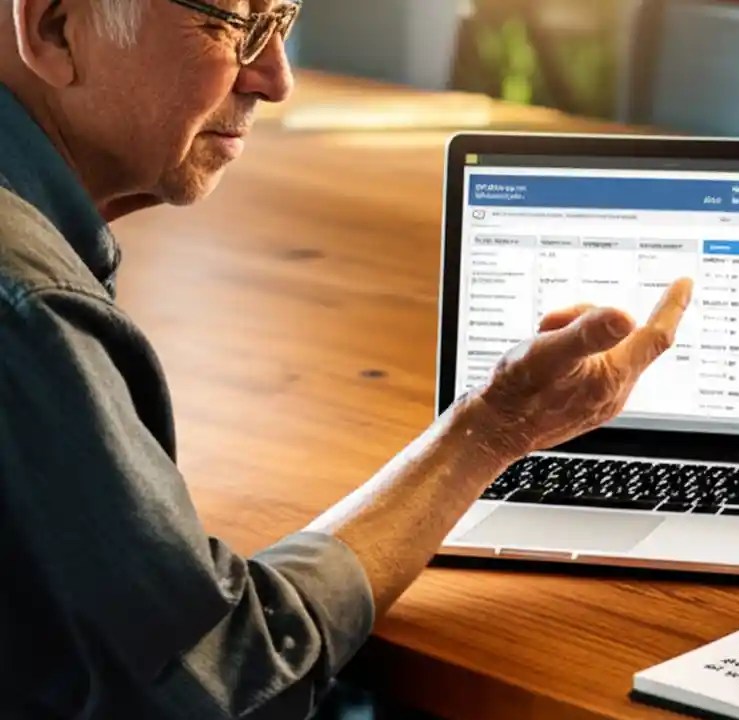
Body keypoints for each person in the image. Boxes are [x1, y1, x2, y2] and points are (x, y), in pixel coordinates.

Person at [0, 0, 692, 717]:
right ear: (53, 27)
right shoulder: (32, 306)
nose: (275, 78)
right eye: (234, 26)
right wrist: (493, 429)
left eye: (283, 20)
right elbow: (225, 683)